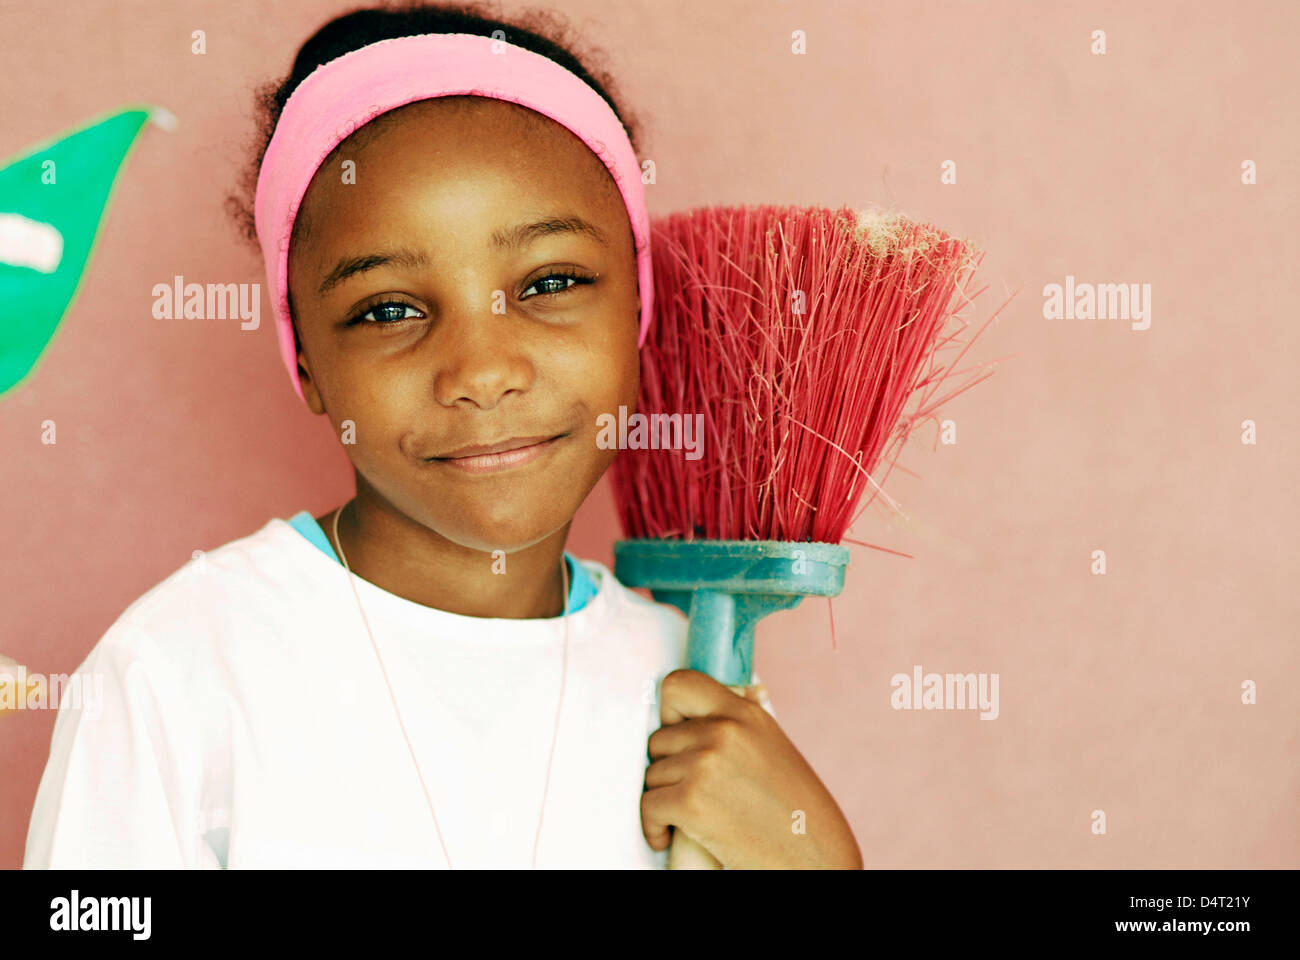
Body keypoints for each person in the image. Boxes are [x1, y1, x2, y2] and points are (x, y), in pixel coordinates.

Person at [24, 1, 862, 869]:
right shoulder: (177, 675)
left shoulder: (693, 697)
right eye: (388, 308)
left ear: (639, 313)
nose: (482, 370)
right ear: (305, 360)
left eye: (549, 282)